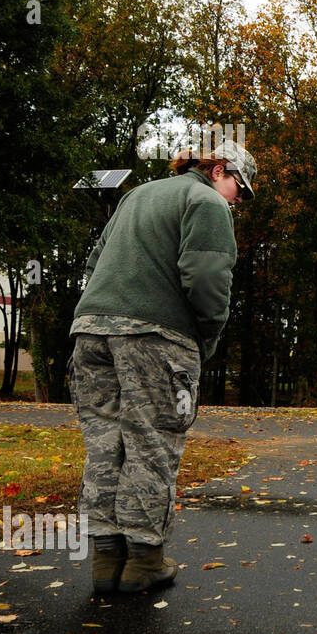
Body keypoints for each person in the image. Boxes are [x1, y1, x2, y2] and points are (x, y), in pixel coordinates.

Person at [68, 141, 255, 593]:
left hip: (91, 333)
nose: (239, 201)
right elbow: (207, 278)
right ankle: (145, 561)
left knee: (104, 445)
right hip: (154, 337)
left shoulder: (138, 195)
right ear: (217, 171)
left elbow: (95, 262)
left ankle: (105, 561)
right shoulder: (207, 202)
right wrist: (206, 338)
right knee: (151, 444)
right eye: (240, 188)